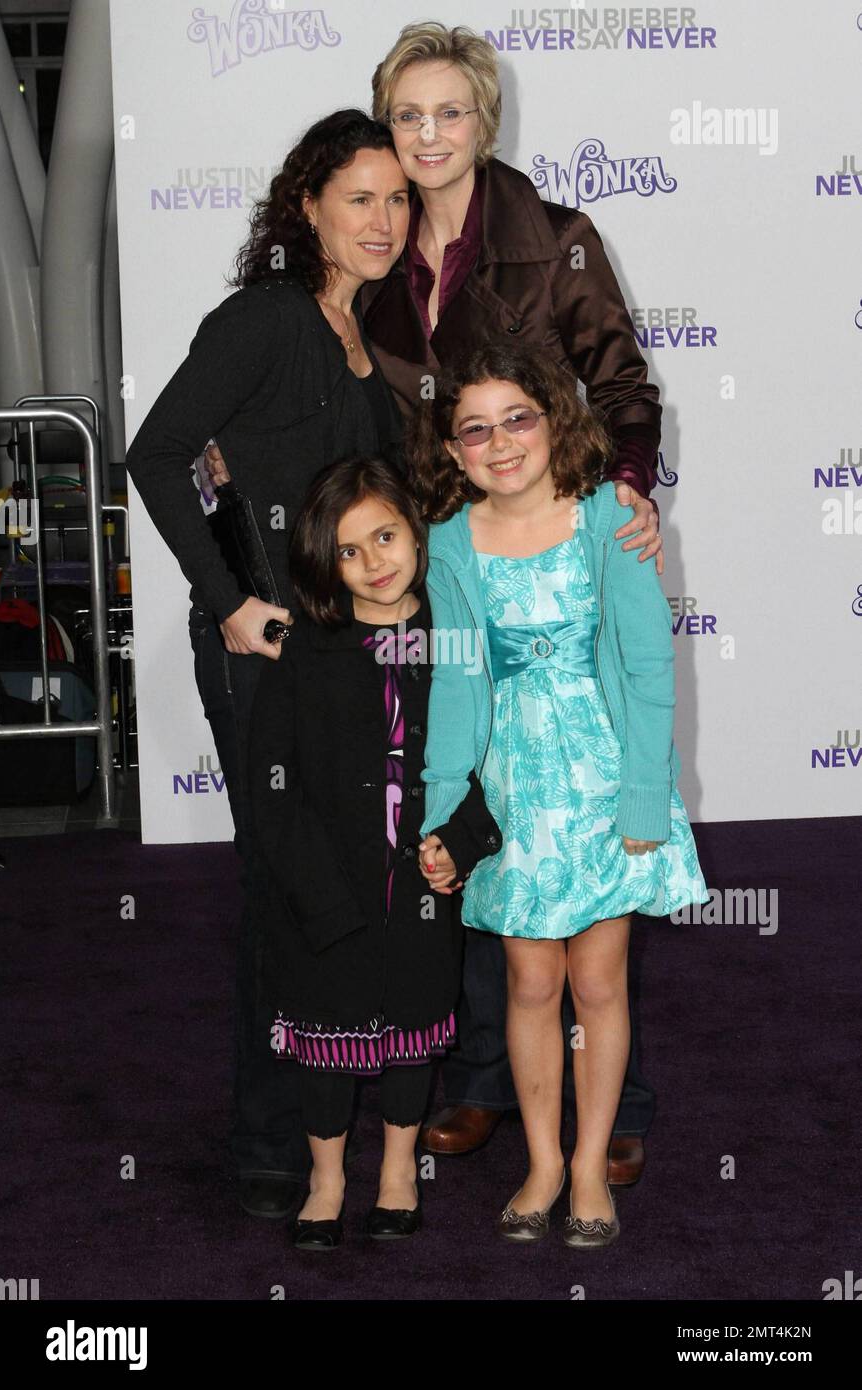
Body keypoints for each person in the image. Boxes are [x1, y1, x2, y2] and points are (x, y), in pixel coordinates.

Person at [362, 20, 667, 1173]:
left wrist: (624, 491)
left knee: (582, 829)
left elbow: (622, 385)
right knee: (472, 819)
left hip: (546, 559)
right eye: (408, 114)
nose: (429, 133)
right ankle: (487, 1072)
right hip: (432, 570)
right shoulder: (369, 254)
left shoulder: (556, 241)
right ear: (387, 128)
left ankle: (613, 1101)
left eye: (449, 111)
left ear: (484, 122)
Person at [124, 110, 410, 1220]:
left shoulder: (361, 337)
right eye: (358, 199)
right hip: (266, 656)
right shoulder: (265, 319)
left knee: (335, 878)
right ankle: (267, 1140)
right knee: (284, 879)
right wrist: (231, 601)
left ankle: (323, 1114)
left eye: (396, 198)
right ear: (307, 208)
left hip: (340, 659)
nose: (382, 220)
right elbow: (156, 452)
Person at [410, 342, 708, 1247]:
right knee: (531, 981)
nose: (500, 443)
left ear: (554, 421)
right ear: (453, 449)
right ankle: (542, 1162)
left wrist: (646, 795)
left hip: (606, 785)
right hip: (512, 798)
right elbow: (455, 681)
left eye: (518, 419)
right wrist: (442, 813)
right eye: (475, 430)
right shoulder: (449, 542)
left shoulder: (607, 517)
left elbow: (647, 666)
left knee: (598, 981)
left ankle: (588, 1165)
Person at [247, 456, 502, 1249]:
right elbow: (272, 784)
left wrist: (463, 842)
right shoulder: (306, 649)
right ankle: (326, 1180)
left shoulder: (457, 640)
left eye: (385, 536)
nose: (373, 563)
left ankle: (397, 1172)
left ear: (416, 531)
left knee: (414, 1028)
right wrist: (315, 891)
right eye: (349, 551)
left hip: (422, 890)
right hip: (325, 887)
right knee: (326, 1038)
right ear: (326, 563)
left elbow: (497, 757)